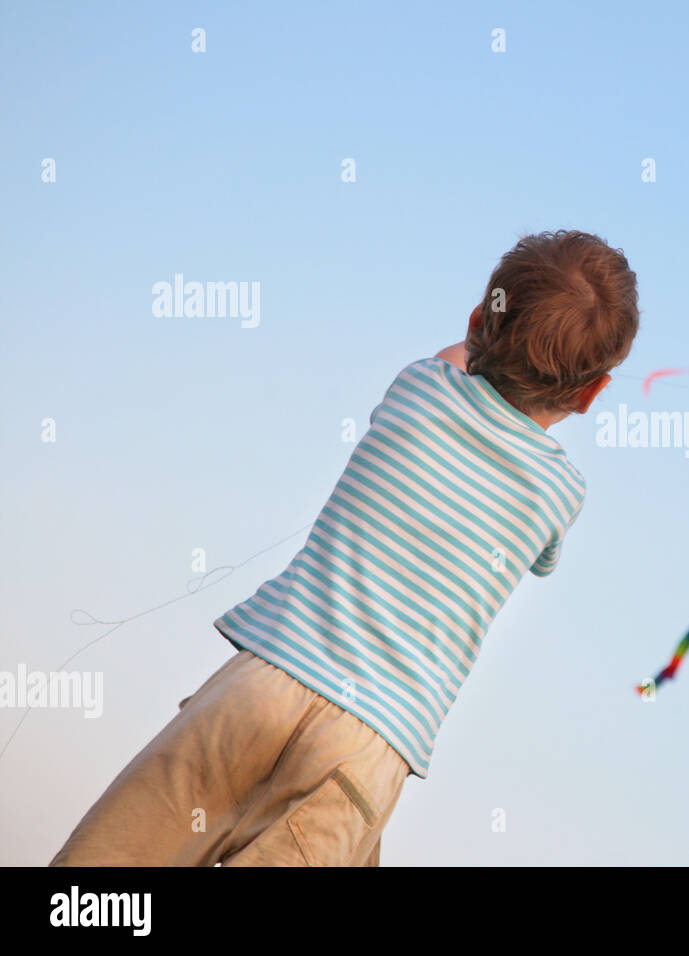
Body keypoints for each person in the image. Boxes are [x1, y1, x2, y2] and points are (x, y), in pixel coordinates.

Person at [50, 230, 640, 866]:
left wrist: (489, 338)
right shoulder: (558, 491)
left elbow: (457, 358)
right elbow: (542, 556)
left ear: (477, 322)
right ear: (592, 393)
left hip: (264, 683)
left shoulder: (422, 389)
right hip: (366, 748)